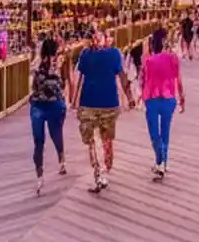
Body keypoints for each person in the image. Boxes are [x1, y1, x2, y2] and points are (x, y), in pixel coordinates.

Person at [73, 29, 135, 193]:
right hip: (109, 103)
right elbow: (122, 76)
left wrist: (74, 101)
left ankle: (98, 172)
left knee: (90, 141)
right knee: (107, 139)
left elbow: (80, 78)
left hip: (88, 103)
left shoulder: (85, 55)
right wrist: (129, 97)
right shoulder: (114, 54)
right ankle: (106, 167)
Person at [30, 36, 72, 193]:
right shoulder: (57, 64)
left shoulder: (41, 65)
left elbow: (34, 85)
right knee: (49, 136)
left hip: (44, 105)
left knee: (43, 139)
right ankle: (52, 165)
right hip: (49, 104)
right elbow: (65, 83)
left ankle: (43, 172)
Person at [142, 29, 185, 180]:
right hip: (168, 97)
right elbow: (178, 80)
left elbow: (143, 78)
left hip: (152, 97)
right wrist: (182, 97)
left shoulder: (148, 60)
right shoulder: (173, 58)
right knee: (165, 131)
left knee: (154, 133)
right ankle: (163, 162)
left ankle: (159, 160)